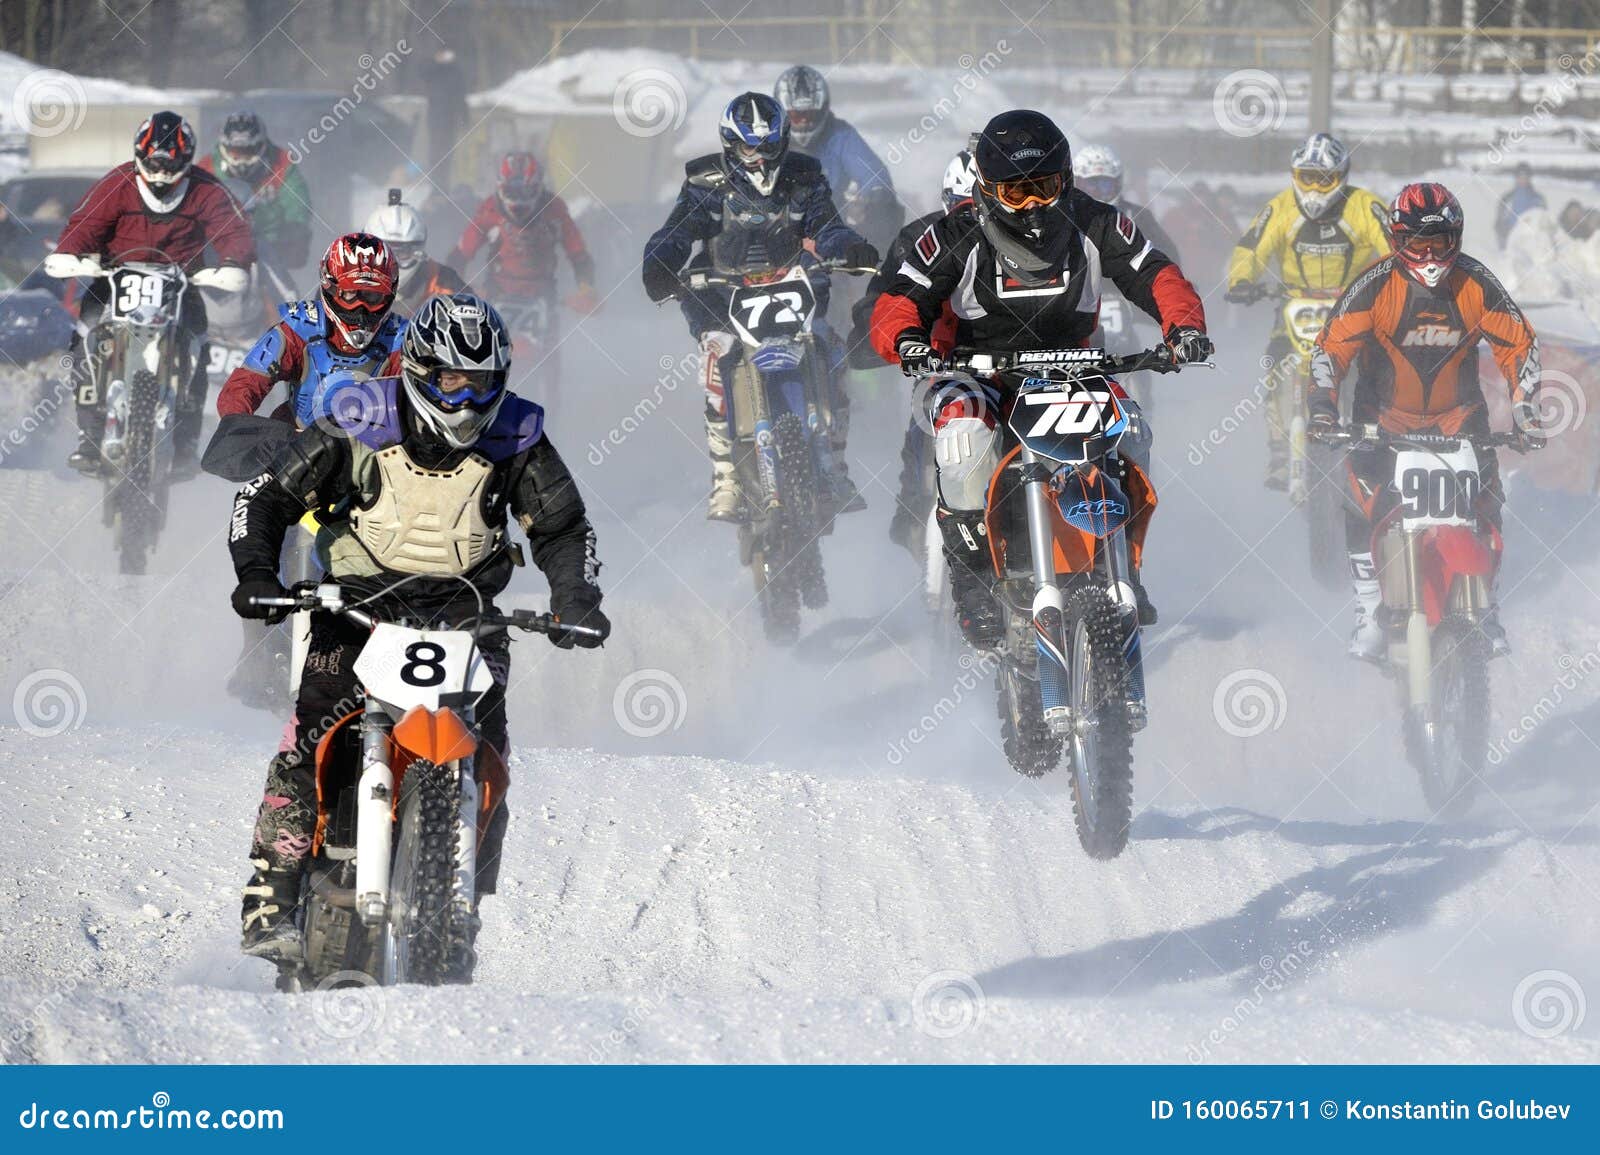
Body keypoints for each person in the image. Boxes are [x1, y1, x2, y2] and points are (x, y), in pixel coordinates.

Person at [229, 292, 610, 958]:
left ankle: (465, 892)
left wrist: (575, 596)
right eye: (452, 379)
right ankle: (273, 890)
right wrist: (258, 572)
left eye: (482, 382)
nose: (465, 398)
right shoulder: (361, 416)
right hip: (356, 605)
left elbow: (562, 525)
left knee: (490, 739)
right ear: (422, 368)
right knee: (309, 731)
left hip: (466, 615)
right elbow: (268, 492)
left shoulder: (519, 435)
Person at [870, 109, 1211, 646]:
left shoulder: (1097, 221)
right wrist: (907, 342)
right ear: (986, 189)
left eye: (1044, 188)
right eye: (1015, 192)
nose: (1031, 205)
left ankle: (1125, 568)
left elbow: (1155, 273)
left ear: (1067, 180)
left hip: (1070, 365)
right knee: (963, 440)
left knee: (1132, 433)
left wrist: (1184, 327)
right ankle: (972, 580)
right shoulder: (953, 235)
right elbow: (897, 301)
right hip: (975, 371)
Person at [1309, 183, 1541, 659]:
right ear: (1398, 241)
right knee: (1360, 498)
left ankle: (1485, 604)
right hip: (1382, 423)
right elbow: (1331, 348)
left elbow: (1518, 343)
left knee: (1487, 502)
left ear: (1457, 238)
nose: (1431, 254)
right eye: (1418, 243)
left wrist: (1527, 408)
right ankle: (1368, 609)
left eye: (1441, 242)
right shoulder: (1373, 286)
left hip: (1459, 422)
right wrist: (1321, 407)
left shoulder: (1477, 283)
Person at [641, 92, 878, 521]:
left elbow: (827, 226)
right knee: (716, 353)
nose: (758, 158)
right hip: (719, 290)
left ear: (783, 142)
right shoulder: (703, 183)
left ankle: (834, 464)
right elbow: (675, 231)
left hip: (791, 283)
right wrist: (661, 263)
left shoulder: (804, 177)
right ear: (730, 144)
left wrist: (850, 248)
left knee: (832, 350)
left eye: (768, 146)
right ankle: (726, 476)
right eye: (748, 147)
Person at [46, 111, 254, 475]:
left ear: (186, 161)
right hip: (114, 280)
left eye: (169, 165)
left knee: (198, 349)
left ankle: (187, 443)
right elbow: (84, 224)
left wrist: (235, 262)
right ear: (139, 155)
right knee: (85, 340)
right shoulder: (116, 184)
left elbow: (233, 230)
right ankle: (90, 438)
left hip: (181, 284)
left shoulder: (207, 189)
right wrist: (68, 254)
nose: (160, 174)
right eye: (154, 163)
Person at [1226, 132, 1391, 490]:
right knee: (1275, 363)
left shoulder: (1364, 205)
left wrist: (1397, 283)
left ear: (1342, 177)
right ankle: (1279, 451)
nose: (1315, 188)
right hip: (1294, 306)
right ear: (1294, 175)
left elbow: (1394, 245)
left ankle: (1373, 440)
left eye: (1324, 178)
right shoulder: (1281, 207)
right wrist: (1241, 281)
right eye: (1307, 177)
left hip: (1350, 308)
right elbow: (1251, 247)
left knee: (1376, 366)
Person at [846, 147, 977, 555]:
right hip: (944, 366)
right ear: (948, 203)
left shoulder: (1036, 235)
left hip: (1020, 364)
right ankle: (915, 511)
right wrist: (882, 338)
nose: (974, 219)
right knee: (922, 434)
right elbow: (885, 297)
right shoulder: (920, 238)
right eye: (962, 207)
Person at [773, 64, 902, 249]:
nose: (803, 123)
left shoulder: (840, 135)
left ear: (822, 109)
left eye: (809, 115)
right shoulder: (768, 138)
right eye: (795, 116)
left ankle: (873, 272)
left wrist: (876, 198)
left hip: (828, 237)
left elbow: (874, 175)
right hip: (772, 234)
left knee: (886, 209)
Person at [449, 152, 595, 315]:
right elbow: (461, 253)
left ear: (538, 187)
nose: (518, 201)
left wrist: (586, 288)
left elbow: (578, 253)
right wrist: (453, 286)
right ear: (501, 187)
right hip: (497, 293)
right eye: (511, 192)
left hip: (542, 295)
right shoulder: (490, 209)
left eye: (525, 192)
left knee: (551, 339)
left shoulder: (554, 210)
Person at [197, 110, 313, 274]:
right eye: (236, 152)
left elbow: (298, 208)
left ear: (262, 146)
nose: (242, 159)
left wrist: (293, 232)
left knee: (286, 292)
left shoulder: (282, 164)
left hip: (268, 251)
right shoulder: (206, 168)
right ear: (224, 147)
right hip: (217, 253)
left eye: (248, 151)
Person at [366, 189, 468, 315]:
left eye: (403, 252)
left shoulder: (444, 280)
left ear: (418, 251)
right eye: (384, 253)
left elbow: (477, 321)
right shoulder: (347, 284)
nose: (393, 262)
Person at [1494, 162, 1546, 250]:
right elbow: (1499, 221)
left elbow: (1544, 220)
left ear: (1530, 178)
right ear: (1516, 177)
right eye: (1520, 176)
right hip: (1511, 239)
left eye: (1526, 176)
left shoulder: (1538, 199)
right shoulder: (1507, 198)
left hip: (1532, 239)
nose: (1523, 179)